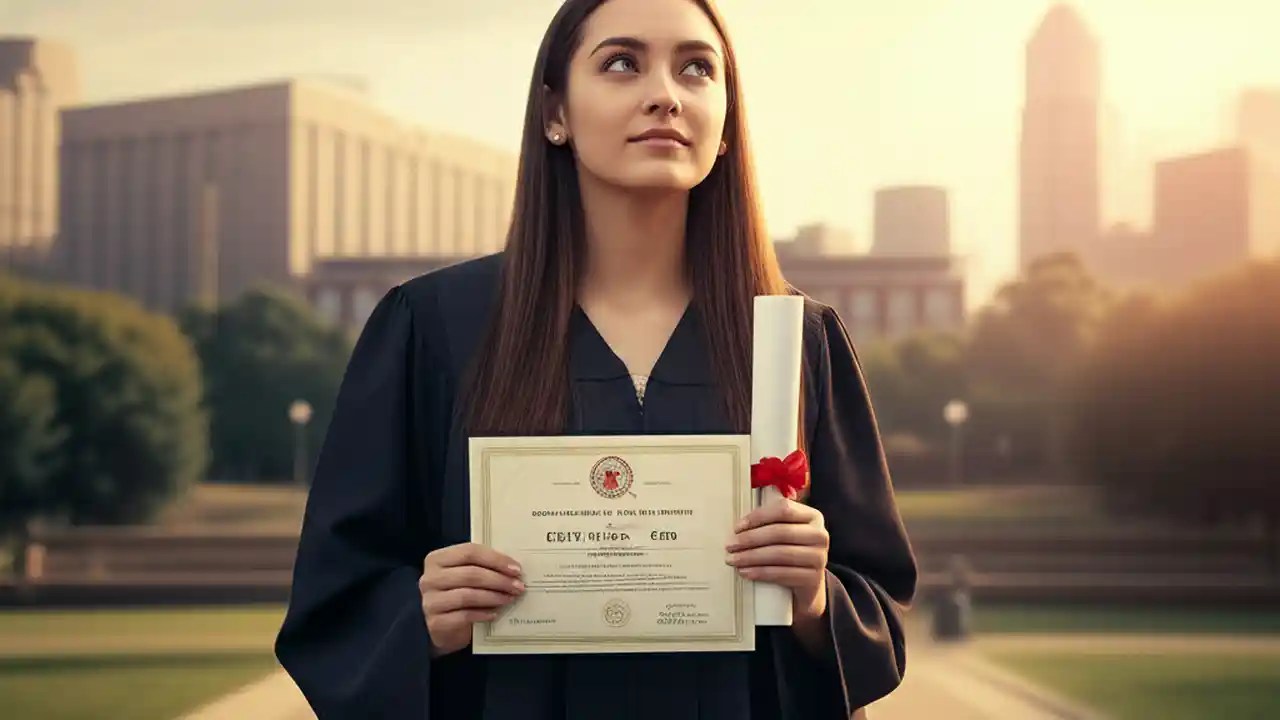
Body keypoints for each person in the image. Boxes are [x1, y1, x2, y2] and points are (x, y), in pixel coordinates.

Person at [274, 0, 918, 717]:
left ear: (727, 124)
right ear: (556, 112)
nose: (665, 94)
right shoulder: (433, 328)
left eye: (697, 69)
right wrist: (417, 617)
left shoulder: (799, 339)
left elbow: (879, 617)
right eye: (621, 63)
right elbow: (336, 604)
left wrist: (813, 596)